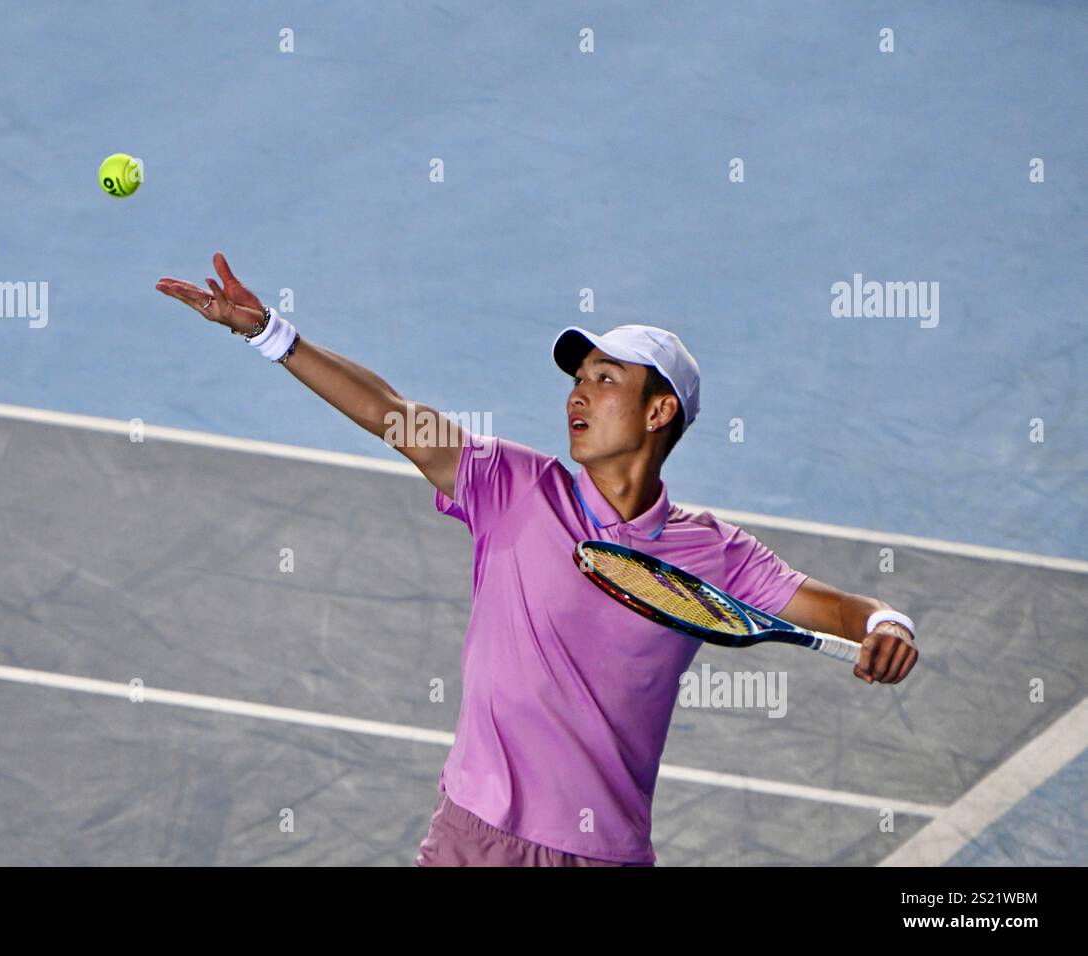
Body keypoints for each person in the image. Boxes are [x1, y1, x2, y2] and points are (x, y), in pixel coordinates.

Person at [156, 252, 920, 867]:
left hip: (603, 854)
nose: (578, 396)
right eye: (578, 379)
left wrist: (886, 621)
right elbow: (391, 414)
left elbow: (838, 611)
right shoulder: (513, 487)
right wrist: (271, 335)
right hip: (473, 834)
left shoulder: (711, 550)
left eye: (606, 380)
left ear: (660, 413)